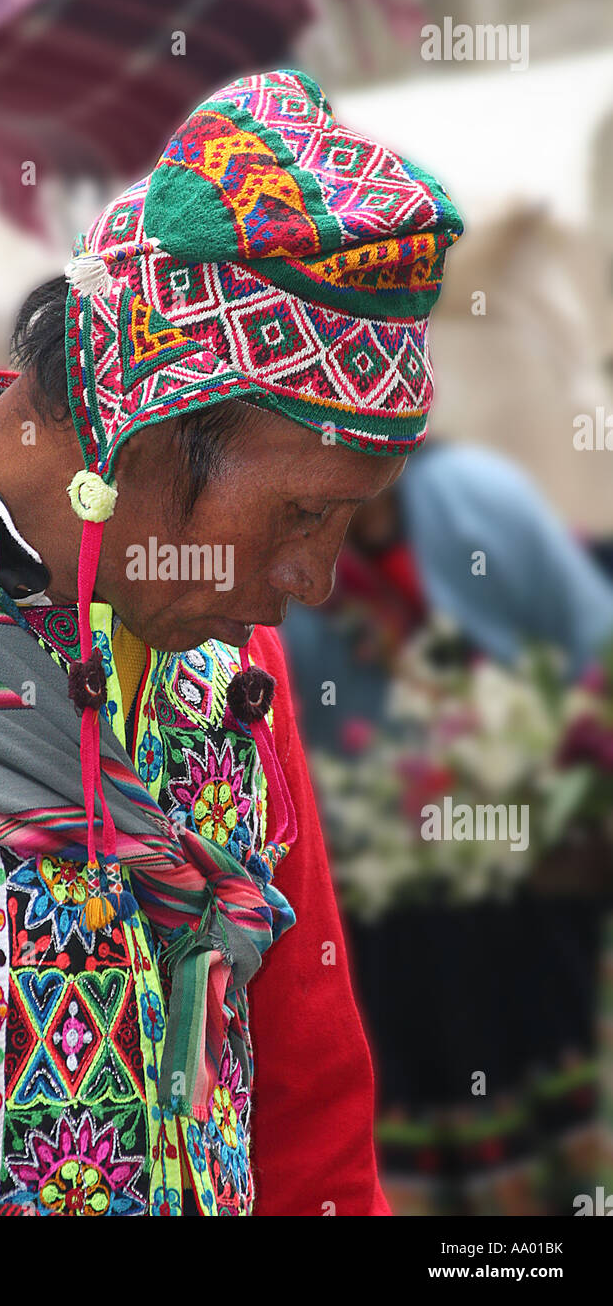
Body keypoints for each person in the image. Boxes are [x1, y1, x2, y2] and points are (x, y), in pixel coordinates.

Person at [0, 68, 462, 1216]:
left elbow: (312, 1125)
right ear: (138, 426)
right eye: (300, 513)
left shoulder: (223, 668)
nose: (311, 582)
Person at [281, 441, 613, 1214]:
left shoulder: (477, 498)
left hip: (535, 904)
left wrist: (564, 790)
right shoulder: (282, 567)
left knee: (555, 1130)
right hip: (386, 940)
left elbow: (594, 651)